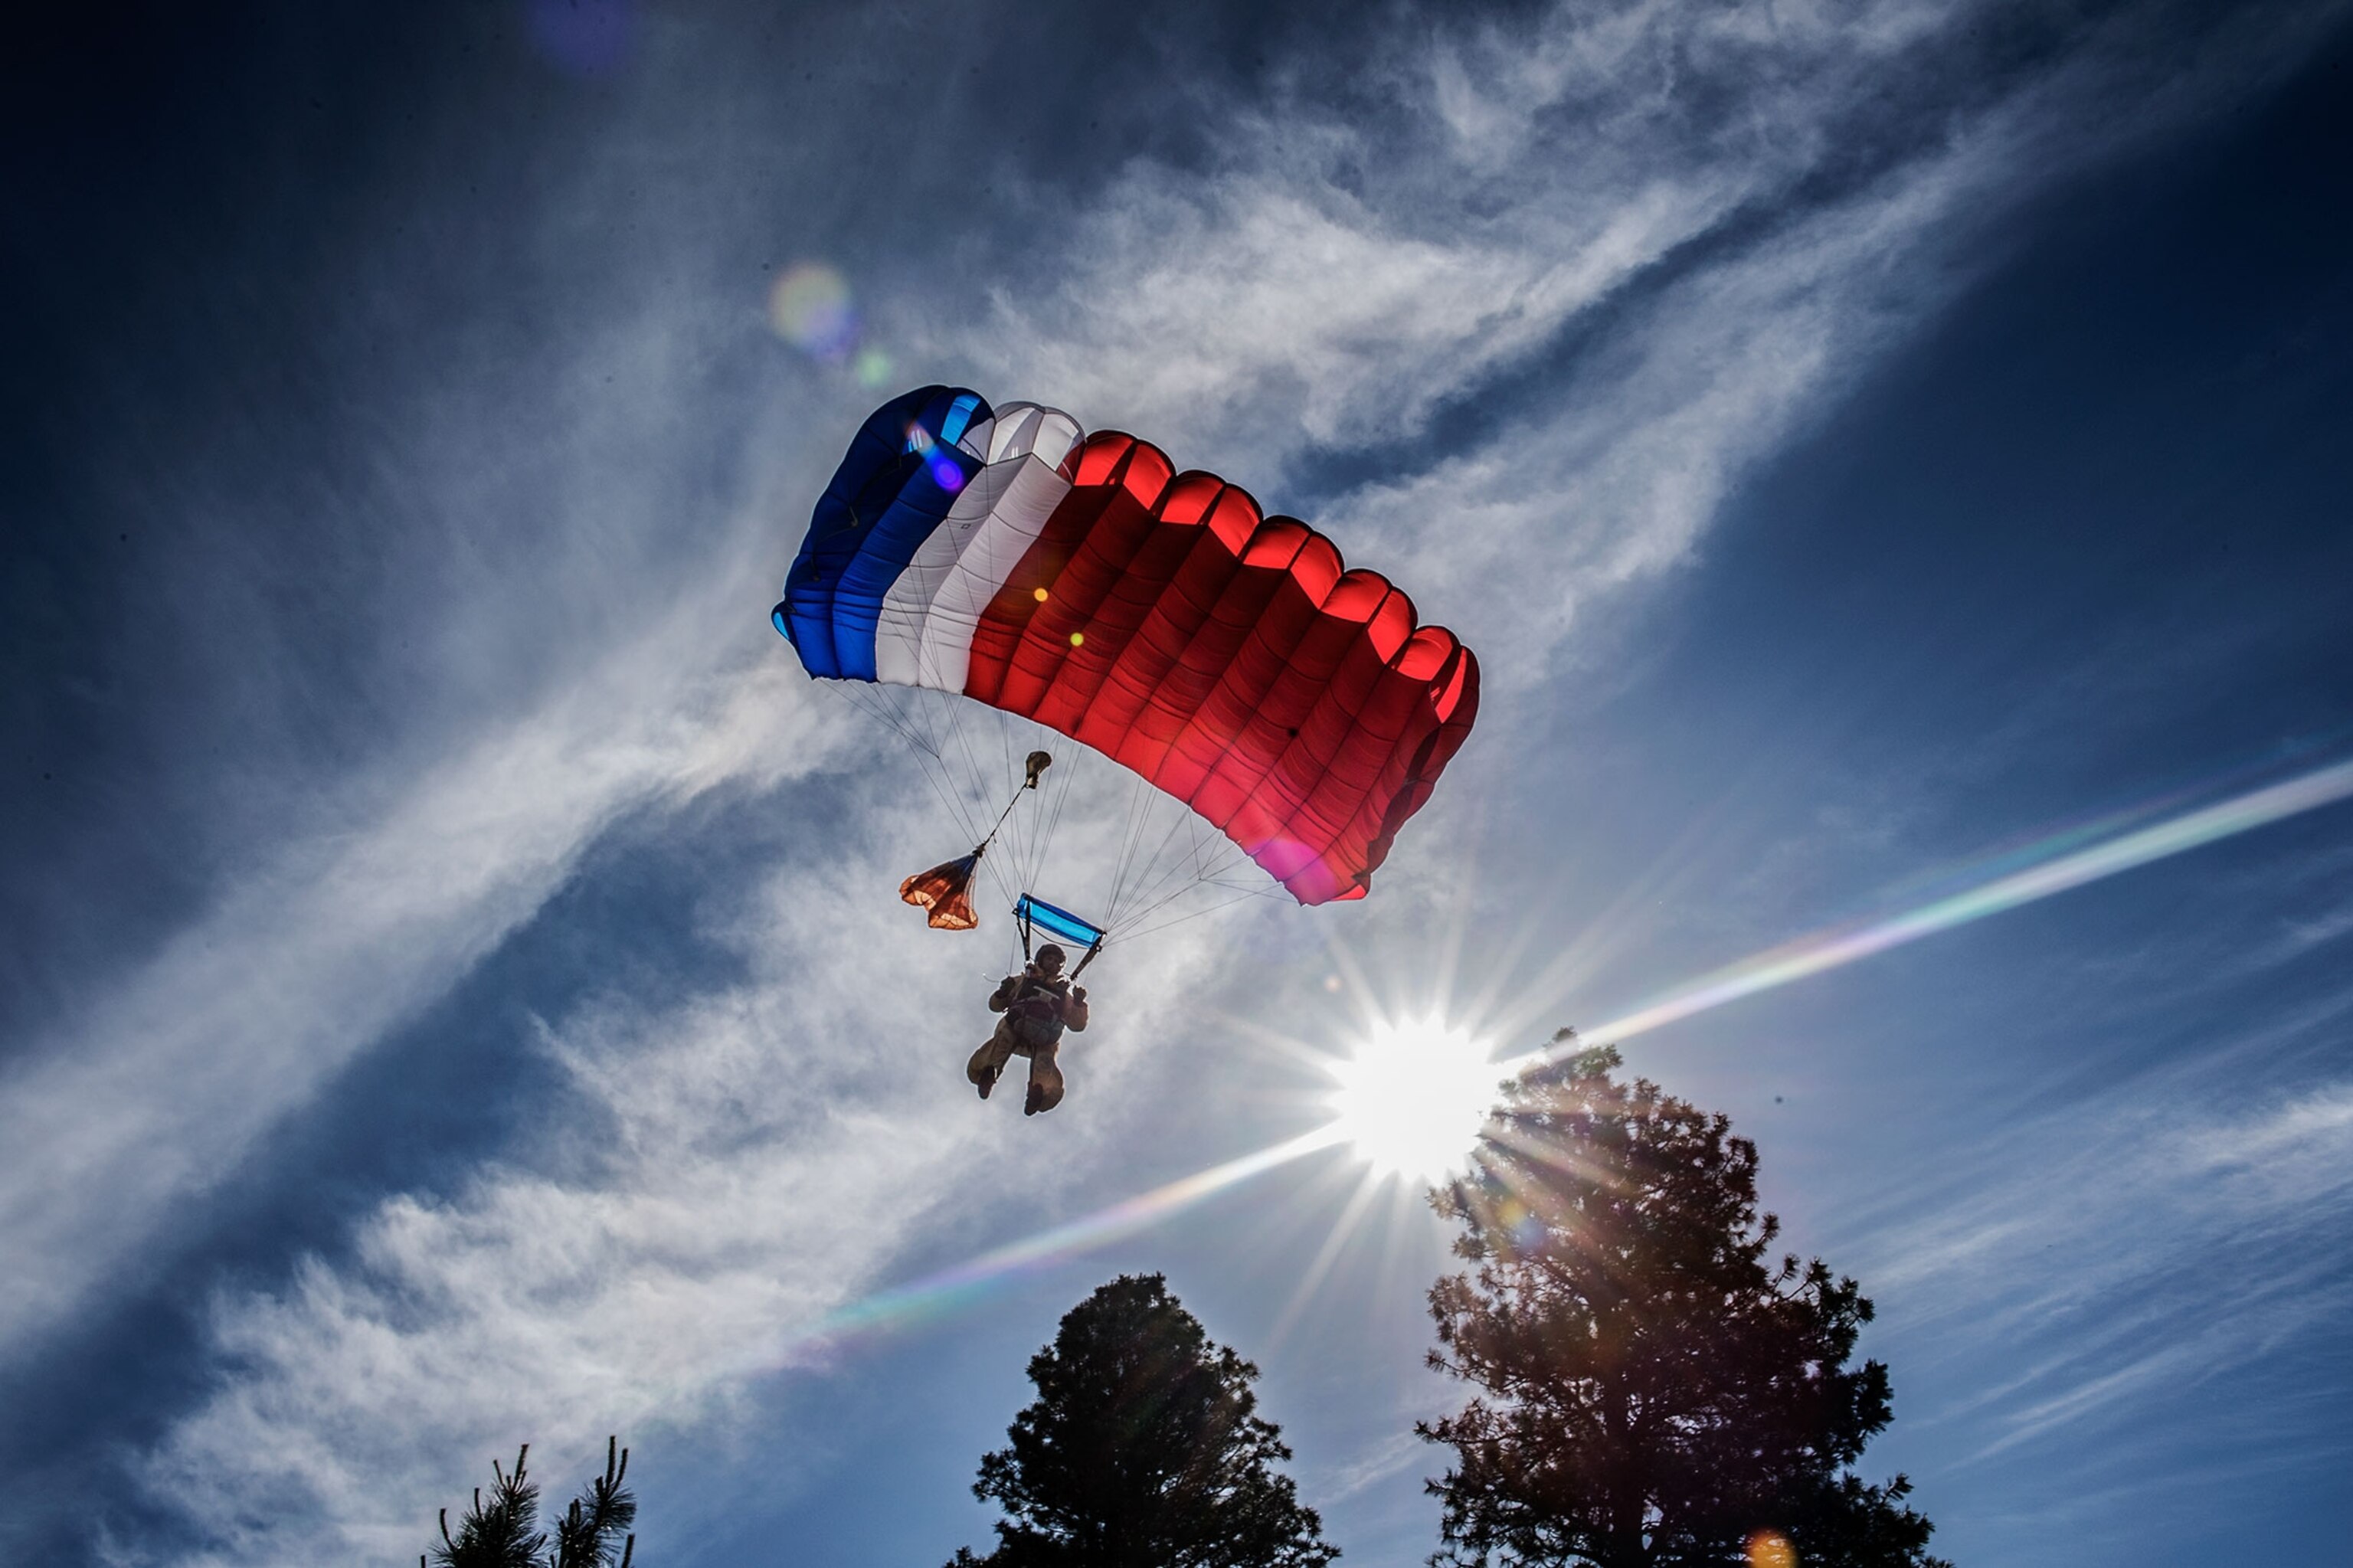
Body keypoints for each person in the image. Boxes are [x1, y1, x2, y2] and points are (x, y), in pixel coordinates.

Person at [968, 943, 1091, 1116]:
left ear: (1060, 967)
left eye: (1057, 961)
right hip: (1016, 1026)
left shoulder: (1065, 994)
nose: (1052, 963)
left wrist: (1078, 1003)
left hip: (1045, 1037)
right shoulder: (1023, 980)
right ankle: (989, 1073)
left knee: (1045, 1060)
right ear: (1041, 959)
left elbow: (1077, 1026)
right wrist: (1004, 992)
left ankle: (1039, 1091)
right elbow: (995, 1006)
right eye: (1049, 958)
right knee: (1002, 1041)